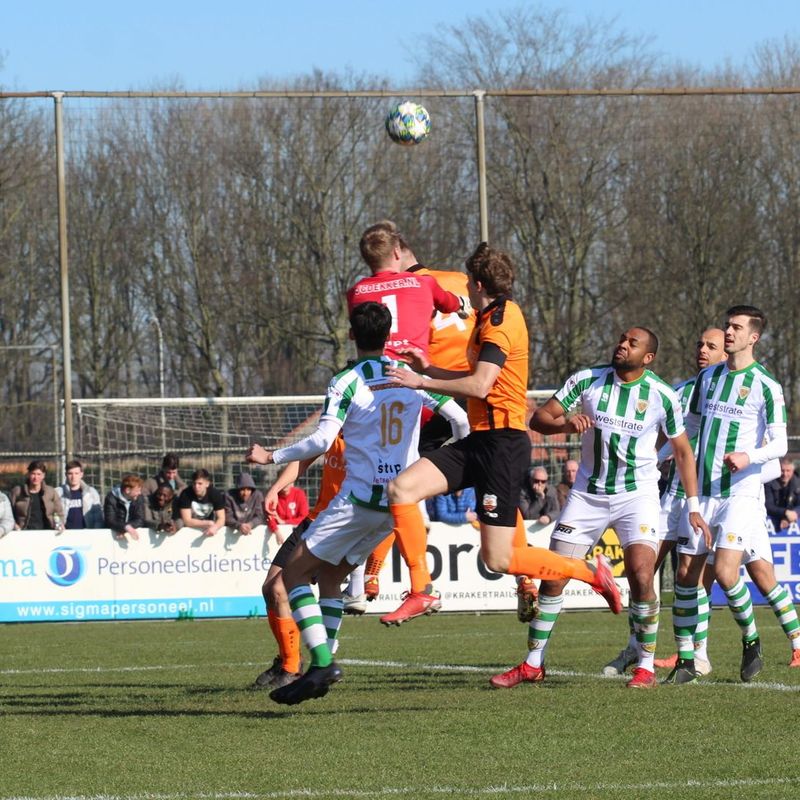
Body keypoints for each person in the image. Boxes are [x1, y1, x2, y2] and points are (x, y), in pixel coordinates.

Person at [386, 242, 621, 634]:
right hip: (480, 441)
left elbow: (479, 386)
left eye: (468, 282)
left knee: (497, 559)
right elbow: (473, 380)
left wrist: (421, 381)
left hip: (503, 446)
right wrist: (429, 367)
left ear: (477, 284)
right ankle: (422, 589)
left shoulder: (501, 321)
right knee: (401, 489)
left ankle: (590, 574)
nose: (465, 289)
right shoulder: (487, 316)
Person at [245, 301, 469, 705]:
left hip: (357, 502)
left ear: (352, 335)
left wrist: (270, 456)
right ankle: (324, 663)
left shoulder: (346, 380)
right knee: (331, 577)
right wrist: (439, 468)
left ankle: (321, 662)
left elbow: (321, 440)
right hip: (396, 505)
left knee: (292, 577)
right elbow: (461, 420)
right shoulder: (407, 375)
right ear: (388, 335)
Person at [489, 326, 711, 690]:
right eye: (622, 339)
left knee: (641, 574)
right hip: (586, 495)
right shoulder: (587, 380)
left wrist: (694, 506)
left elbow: (683, 452)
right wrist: (565, 424)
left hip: (637, 496)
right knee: (553, 576)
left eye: (632, 343)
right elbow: (539, 419)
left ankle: (645, 667)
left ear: (648, 357)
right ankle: (533, 664)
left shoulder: (663, 396)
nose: (622, 345)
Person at [348, 221, 471, 615]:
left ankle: (358, 583)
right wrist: (461, 304)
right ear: (398, 253)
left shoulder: (356, 292)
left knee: (373, 489)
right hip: (414, 387)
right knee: (457, 432)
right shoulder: (423, 283)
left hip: (370, 392)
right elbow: (454, 305)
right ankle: (415, 583)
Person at [672, 305, 798, 684]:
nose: (729, 332)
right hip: (703, 493)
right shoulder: (707, 378)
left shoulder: (766, 385)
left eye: (737, 328)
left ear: (753, 337)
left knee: (727, 573)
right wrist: (662, 453)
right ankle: (690, 660)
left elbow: (779, 444)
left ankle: (751, 638)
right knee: (686, 575)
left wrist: (748, 456)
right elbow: (691, 426)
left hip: (740, 494)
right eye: (728, 325)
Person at [603, 327, 726, 678]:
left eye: (711, 346)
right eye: (699, 344)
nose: (702, 350)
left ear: (725, 354)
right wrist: (655, 457)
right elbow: (659, 437)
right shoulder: (678, 391)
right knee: (642, 571)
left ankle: (698, 653)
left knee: (693, 576)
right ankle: (635, 646)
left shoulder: (730, 394)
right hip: (667, 495)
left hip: (705, 498)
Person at [253, 434, 348, 691]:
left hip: (337, 525)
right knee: (269, 589)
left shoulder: (370, 433)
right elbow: (303, 458)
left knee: (280, 589)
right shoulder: (333, 428)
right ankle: (287, 659)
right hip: (313, 520)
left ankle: (293, 668)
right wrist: (275, 488)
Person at [10, 461, 64, 531]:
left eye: (39, 474)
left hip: (47, 532)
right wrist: (15, 526)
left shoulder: (51, 492)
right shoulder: (17, 492)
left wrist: (59, 524)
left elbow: (59, 512)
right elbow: (8, 513)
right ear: (28, 474)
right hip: (23, 532)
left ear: (43, 475)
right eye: (33, 474)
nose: (36, 477)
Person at [55, 459, 103, 529]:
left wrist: (95, 533)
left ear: (81, 474)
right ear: (66, 474)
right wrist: (58, 525)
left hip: (86, 533)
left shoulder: (91, 492)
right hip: (64, 533)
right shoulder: (58, 492)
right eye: (70, 473)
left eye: (76, 473)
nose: (73, 477)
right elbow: (53, 514)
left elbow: (98, 518)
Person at [177, 469, 226, 536]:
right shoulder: (186, 494)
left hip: (210, 529)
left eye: (200, 483)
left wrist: (215, 527)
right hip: (190, 530)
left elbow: (222, 518)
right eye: (194, 483)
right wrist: (206, 523)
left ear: (207, 484)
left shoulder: (215, 494)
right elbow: (187, 521)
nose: (196, 487)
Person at [103, 473, 146, 540]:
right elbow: (110, 521)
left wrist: (125, 529)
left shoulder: (139, 498)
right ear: (127, 490)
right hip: (112, 537)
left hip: (130, 535)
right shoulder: (111, 498)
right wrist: (125, 527)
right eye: (137, 490)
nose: (139, 493)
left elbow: (140, 519)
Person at [765, 457, 800, 531]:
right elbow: (768, 506)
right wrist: (785, 513)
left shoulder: (798, 484)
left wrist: (794, 514)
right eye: (782, 470)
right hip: (770, 522)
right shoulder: (768, 483)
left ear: (793, 471)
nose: (785, 474)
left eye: (788, 471)